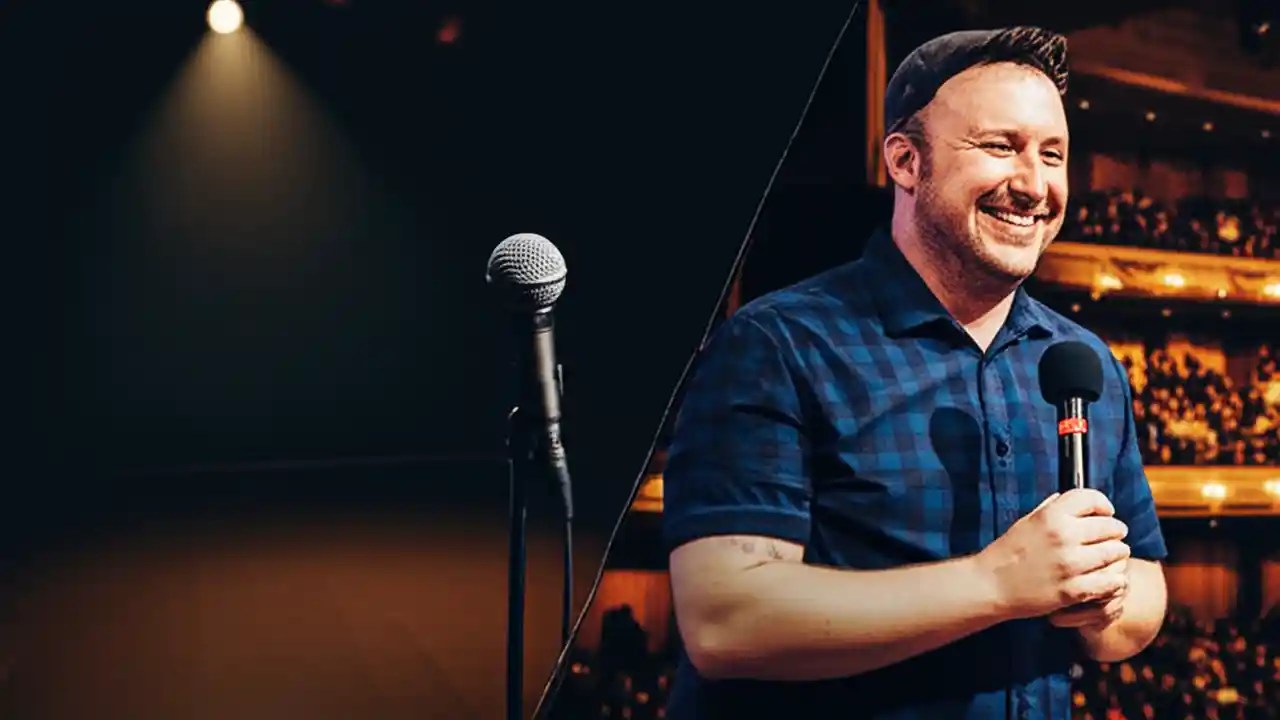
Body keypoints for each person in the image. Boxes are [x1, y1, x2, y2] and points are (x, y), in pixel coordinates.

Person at [660, 26, 1169, 719]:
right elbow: (726, 620)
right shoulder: (778, 345)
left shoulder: (1084, 363)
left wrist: (1104, 598)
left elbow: (1145, 591)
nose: (1034, 184)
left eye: (1053, 155)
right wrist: (1000, 582)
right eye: (1000, 146)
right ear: (905, 161)